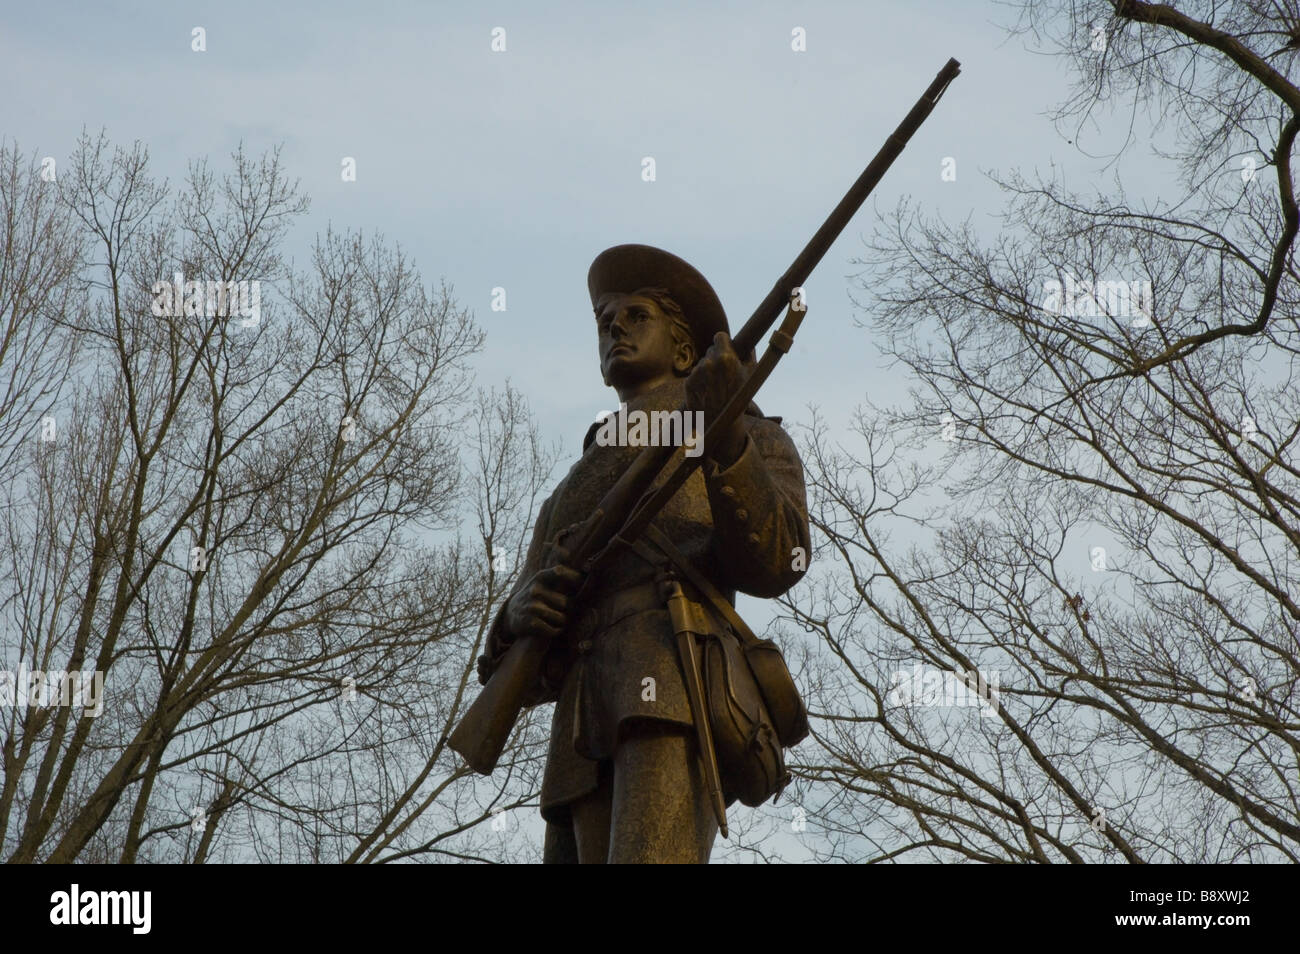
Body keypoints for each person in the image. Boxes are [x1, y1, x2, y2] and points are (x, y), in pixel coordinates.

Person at [477, 244, 810, 863]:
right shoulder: (572, 485)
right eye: (605, 320)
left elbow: (780, 560)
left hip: (668, 686)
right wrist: (516, 615)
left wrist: (726, 436)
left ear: (686, 351)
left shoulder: (752, 433)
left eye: (636, 316)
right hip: (579, 727)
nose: (613, 327)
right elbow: (511, 660)